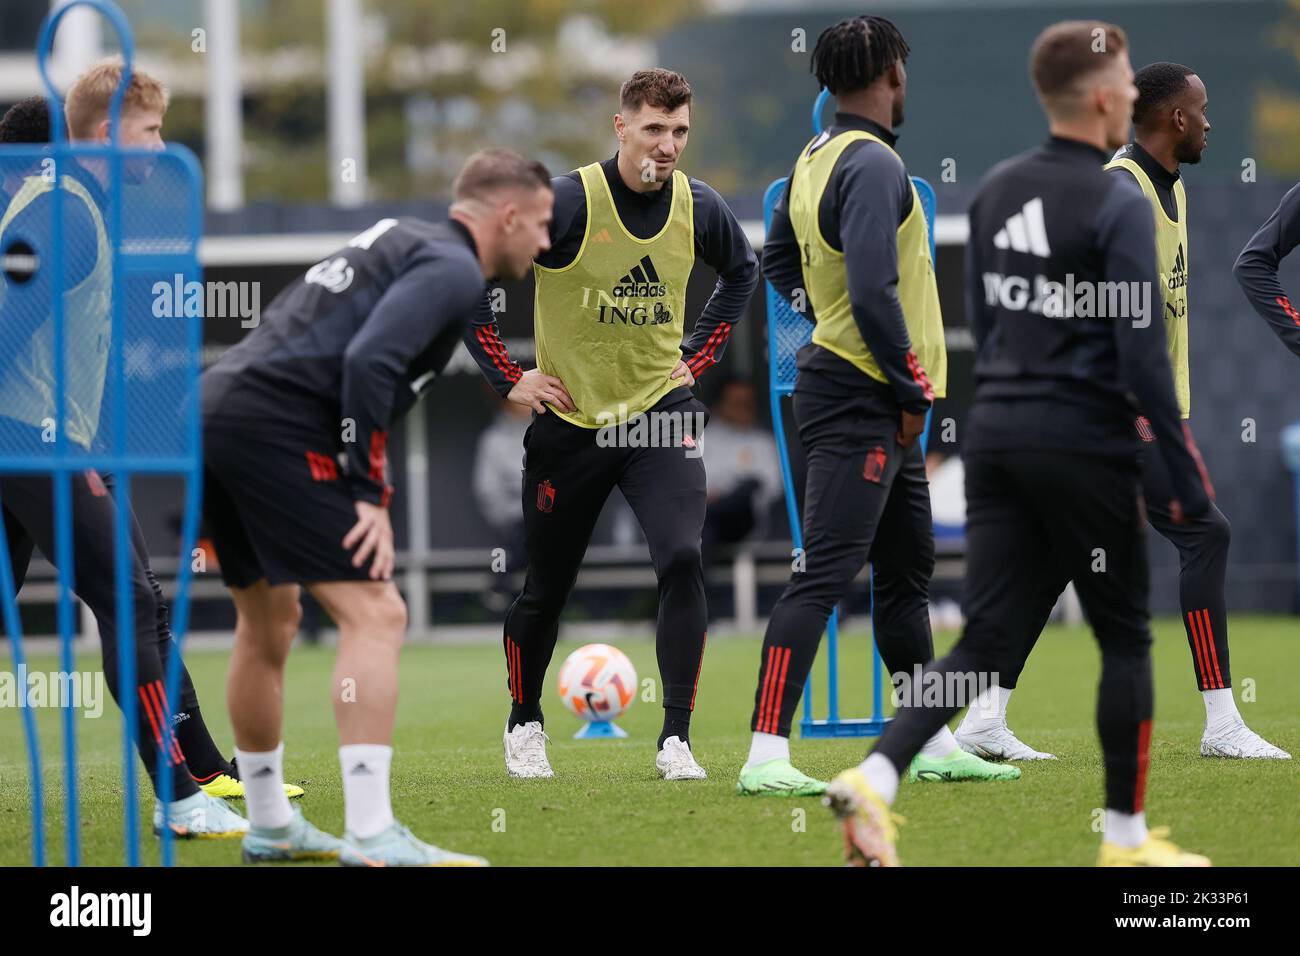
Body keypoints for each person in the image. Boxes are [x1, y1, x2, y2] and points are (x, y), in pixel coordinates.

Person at [824, 21, 1214, 867]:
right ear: (1109, 98)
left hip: (998, 436)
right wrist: (1180, 468)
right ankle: (1126, 842)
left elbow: (986, 326)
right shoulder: (1117, 198)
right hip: (1083, 441)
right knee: (1126, 642)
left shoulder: (997, 188)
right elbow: (1142, 350)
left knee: (986, 639)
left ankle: (877, 777)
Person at [202, 148, 552, 865]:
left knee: (269, 619)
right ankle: (372, 835)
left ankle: (269, 824)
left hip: (214, 414)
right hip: (276, 427)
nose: (545, 243)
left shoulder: (404, 237)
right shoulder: (454, 268)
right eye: (542, 225)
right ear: (508, 215)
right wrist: (367, 492)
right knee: (378, 612)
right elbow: (370, 361)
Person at [959, 63, 1288, 761]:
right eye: (1200, 111)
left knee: (1054, 555)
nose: (1209, 122)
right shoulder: (1120, 190)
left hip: (1123, 411)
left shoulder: (1167, 188)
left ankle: (982, 718)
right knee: (1207, 533)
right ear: (1174, 120)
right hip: (1112, 410)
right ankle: (1223, 723)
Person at [0, 89, 306, 803]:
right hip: (33, 439)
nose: (164, 147)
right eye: (153, 129)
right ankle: (183, 793)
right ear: (101, 135)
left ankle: (200, 772)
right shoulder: (61, 215)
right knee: (133, 601)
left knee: (135, 599)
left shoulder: (76, 211)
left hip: (53, 436)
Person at [737, 15, 1015, 799]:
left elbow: (778, 260)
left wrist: (819, 316)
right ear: (891, 72)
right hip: (867, 398)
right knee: (822, 575)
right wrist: (907, 388)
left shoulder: (814, 156)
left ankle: (927, 741)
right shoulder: (873, 163)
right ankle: (763, 754)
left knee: (904, 577)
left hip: (864, 390)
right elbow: (868, 287)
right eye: (904, 66)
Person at [464, 68, 759, 781]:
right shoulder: (567, 203)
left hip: (660, 420)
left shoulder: (698, 204)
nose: (667, 145)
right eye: (654, 129)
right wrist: (511, 377)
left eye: (680, 131)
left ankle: (676, 740)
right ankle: (525, 720)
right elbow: (470, 274)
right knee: (546, 588)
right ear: (621, 126)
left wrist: (699, 354)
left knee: (684, 558)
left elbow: (743, 270)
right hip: (572, 427)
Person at [699, 378, 780, 577]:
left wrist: (727, 490)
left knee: (748, 488)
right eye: (735, 402)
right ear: (718, 404)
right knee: (705, 524)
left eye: (747, 402)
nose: (742, 408)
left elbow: (771, 487)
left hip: (743, 521)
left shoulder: (763, 442)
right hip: (704, 518)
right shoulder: (700, 438)